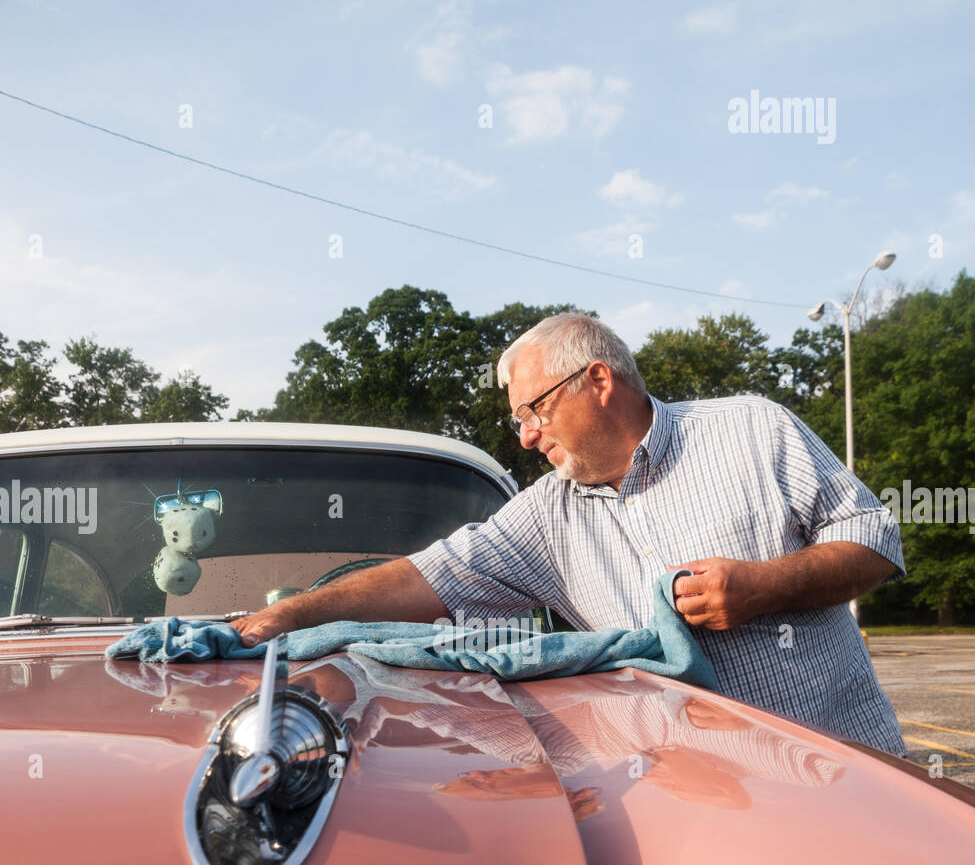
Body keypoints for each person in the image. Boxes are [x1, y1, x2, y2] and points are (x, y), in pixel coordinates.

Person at [237, 312, 906, 754]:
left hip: (843, 780)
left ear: (597, 380)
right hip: (689, 808)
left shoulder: (752, 430)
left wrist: (766, 585)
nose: (525, 435)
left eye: (532, 410)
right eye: (517, 420)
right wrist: (292, 615)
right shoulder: (544, 514)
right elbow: (427, 577)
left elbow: (875, 541)